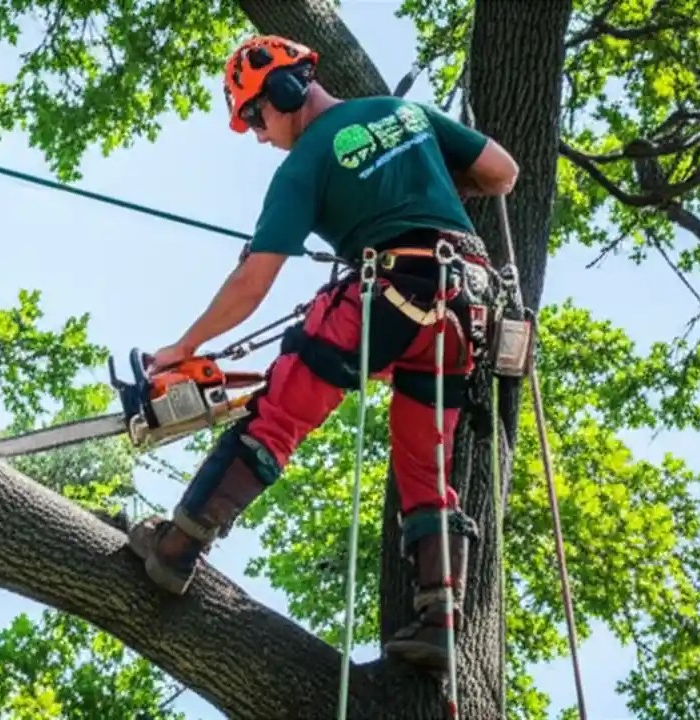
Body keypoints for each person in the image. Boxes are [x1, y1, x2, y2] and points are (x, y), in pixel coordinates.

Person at [125, 34, 519, 673]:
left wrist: (182, 347)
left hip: (390, 290)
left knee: (282, 410)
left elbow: (252, 283)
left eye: (254, 114)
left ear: (284, 89)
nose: (257, 134)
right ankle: (440, 621)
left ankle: (175, 548)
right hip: (467, 308)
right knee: (426, 464)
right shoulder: (409, 117)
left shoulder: (303, 165)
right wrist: (427, 182)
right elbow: (501, 172)